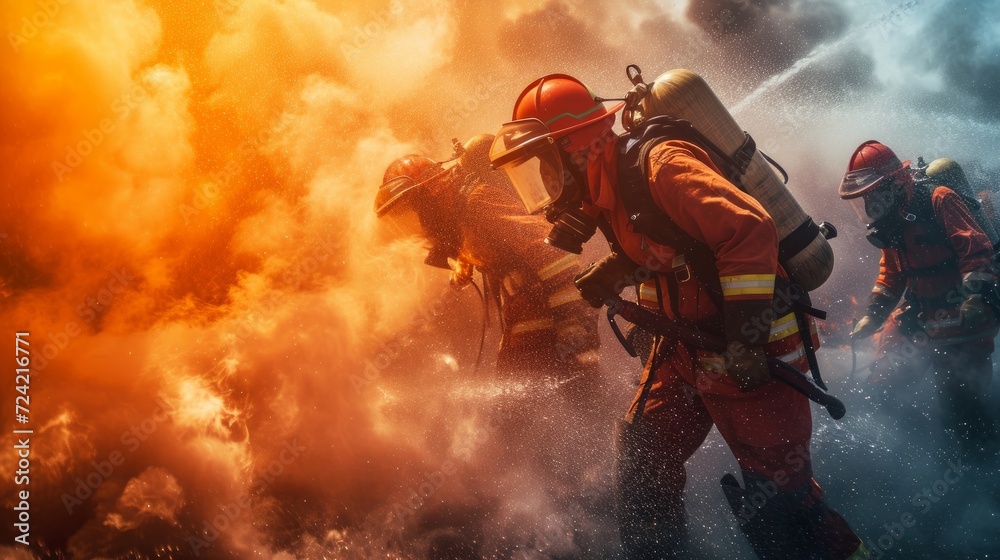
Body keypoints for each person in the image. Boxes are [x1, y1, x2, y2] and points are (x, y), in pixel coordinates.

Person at [490, 74, 867, 560]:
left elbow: (748, 232)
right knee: (643, 456)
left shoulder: (662, 166)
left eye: (541, 165)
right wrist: (621, 267)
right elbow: (674, 243)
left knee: (782, 509)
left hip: (760, 359)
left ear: (574, 146)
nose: (541, 184)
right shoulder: (605, 189)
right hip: (687, 354)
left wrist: (747, 340)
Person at [375, 135, 614, 558]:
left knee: (533, 420)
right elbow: (497, 246)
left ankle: (583, 513)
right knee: (521, 421)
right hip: (528, 328)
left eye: (411, 212)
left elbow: (558, 259)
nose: (413, 226)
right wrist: (466, 261)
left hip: (549, 329)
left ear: (430, 195)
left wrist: (578, 342)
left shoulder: (479, 203)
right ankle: (548, 509)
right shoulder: (461, 218)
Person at [842, 141, 999, 460]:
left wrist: (972, 299)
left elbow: (977, 253)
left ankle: (979, 474)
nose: (868, 207)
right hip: (919, 315)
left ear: (895, 184)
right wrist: (872, 315)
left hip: (964, 320)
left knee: (962, 406)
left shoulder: (939, 199)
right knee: (883, 386)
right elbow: (891, 273)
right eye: (863, 200)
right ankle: (899, 460)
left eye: (872, 196)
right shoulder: (890, 221)